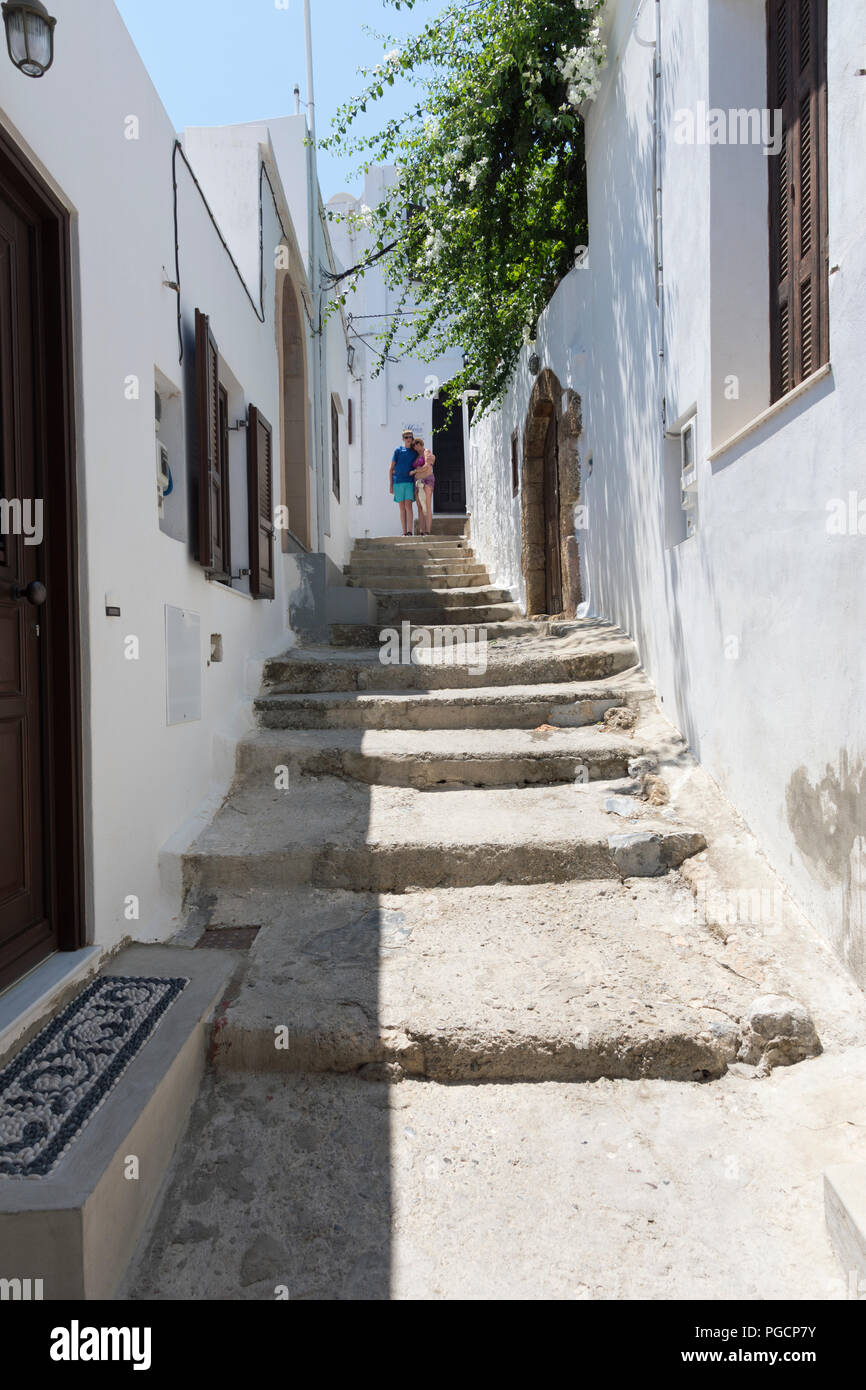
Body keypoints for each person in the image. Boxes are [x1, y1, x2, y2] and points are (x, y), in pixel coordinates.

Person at [390, 430, 419, 536]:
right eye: (406, 437)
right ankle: (404, 532)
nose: (408, 439)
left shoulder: (414, 452)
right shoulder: (398, 451)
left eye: (410, 437)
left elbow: (420, 465)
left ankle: (410, 531)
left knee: (408, 506)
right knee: (402, 508)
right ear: (403, 439)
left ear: (412, 438)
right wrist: (391, 485)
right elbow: (391, 468)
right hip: (397, 482)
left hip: (409, 482)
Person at [411, 437, 435, 536]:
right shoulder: (416, 456)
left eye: (416, 443)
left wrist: (416, 471)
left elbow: (427, 466)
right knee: (420, 506)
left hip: (427, 481)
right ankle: (422, 530)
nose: (415, 446)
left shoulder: (427, 452)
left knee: (427, 505)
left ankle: (428, 531)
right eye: (413, 445)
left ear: (420, 443)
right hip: (417, 483)